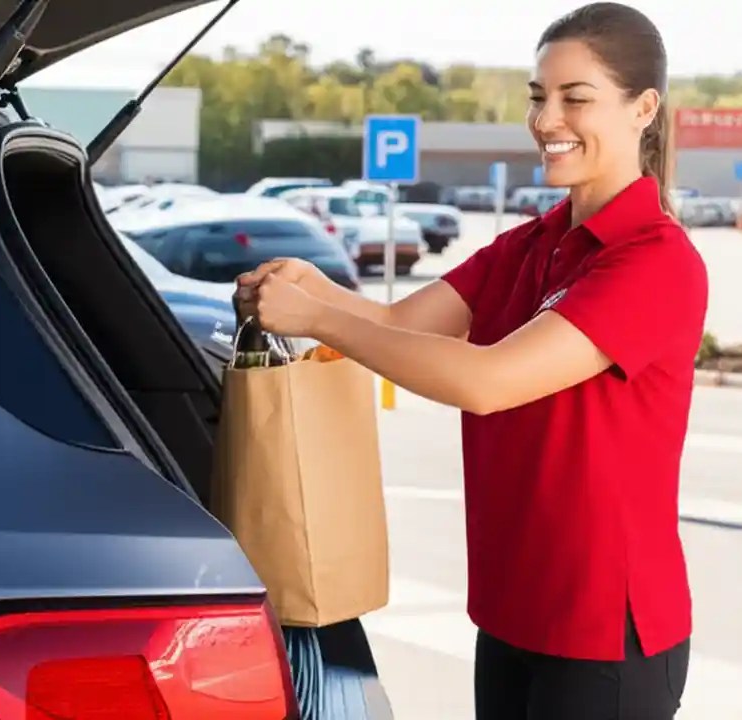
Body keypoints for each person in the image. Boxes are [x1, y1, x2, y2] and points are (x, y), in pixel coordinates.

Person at [235, 3, 707, 717]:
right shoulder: (532, 243)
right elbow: (398, 324)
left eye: (575, 98)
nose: (547, 120)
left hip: (604, 632)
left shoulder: (653, 262)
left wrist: (319, 317)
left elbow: (487, 382)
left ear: (644, 109)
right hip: (513, 611)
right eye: (538, 96)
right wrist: (312, 287)